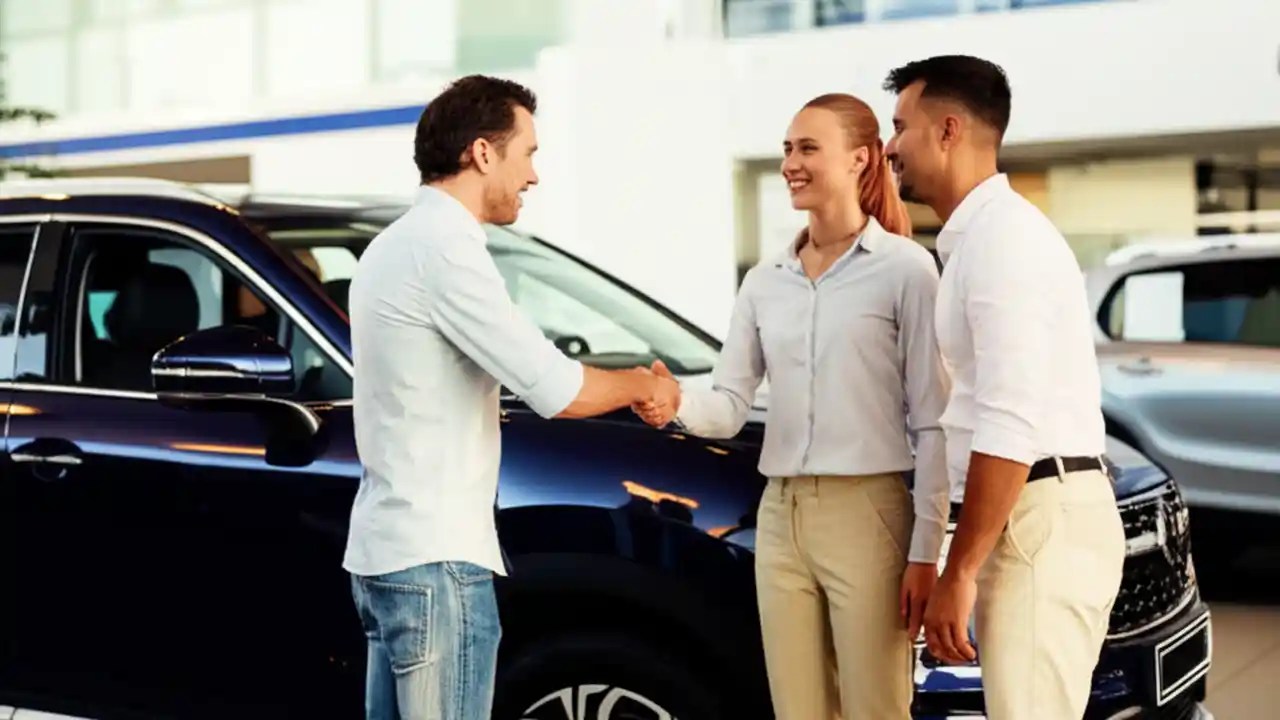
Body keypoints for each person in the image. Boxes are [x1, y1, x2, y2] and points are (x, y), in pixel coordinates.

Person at [342, 74, 680, 720]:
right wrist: (644, 383)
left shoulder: (391, 248)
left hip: (387, 555)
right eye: (527, 153)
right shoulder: (446, 252)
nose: (534, 176)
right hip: (436, 564)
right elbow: (557, 389)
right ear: (482, 152)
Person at [635, 93, 950, 720]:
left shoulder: (907, 272)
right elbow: (728, 405)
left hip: (870, 514)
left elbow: (934, 422)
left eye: (808, 148)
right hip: (780, 516)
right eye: (786, 149)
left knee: (876, 709)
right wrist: (671, 402)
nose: (789, 164)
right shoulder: (765, 280)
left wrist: (926, 549)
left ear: (861, 159)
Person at [882, 55, 1126, 719]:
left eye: (900, 126)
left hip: (1038, 520)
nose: (888, 146)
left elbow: (1008, 420)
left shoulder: (1003, 241)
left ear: (949, 130)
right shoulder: (978, 241)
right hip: (1028, 517)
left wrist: (958, 570)